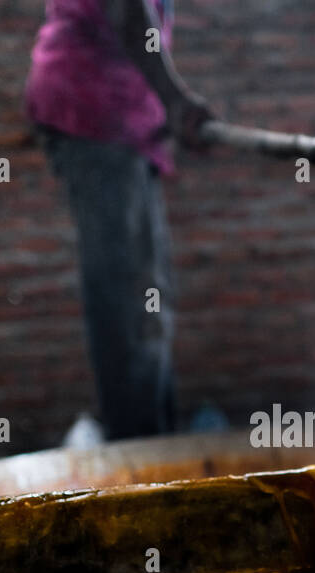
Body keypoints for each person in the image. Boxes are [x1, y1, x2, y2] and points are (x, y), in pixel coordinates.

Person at [25, 0, 212, 440]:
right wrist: (176, 101)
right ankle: (141, 459)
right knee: (130, 299)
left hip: (125, 123)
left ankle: (155, 448)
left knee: (149, 294)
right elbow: (127, 10)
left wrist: (163, 107)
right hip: (96, 113)